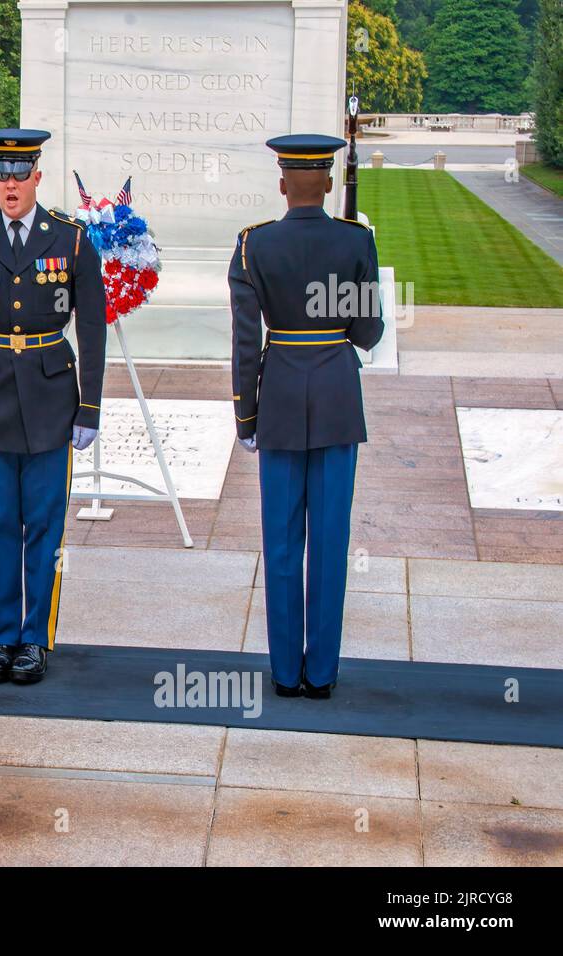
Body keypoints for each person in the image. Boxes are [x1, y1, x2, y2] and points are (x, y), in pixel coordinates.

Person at [0, 128, 107, 684]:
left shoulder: (72, 240)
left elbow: (93, 331)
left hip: (51, 395)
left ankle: (35, 638)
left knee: (44, 523)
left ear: (38, 176)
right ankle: (3, 635)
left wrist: (89, 408)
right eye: (1, 174)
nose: (10, 184)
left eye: (21, 173)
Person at [228, 133, 385, 700]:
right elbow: (367, 333)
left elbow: (247, 343)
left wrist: (246, 416)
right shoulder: (355, 242)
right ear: (325, 182)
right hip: (338, 396)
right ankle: (321, 671)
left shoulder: (254, 246)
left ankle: (284, 672)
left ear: (281, 183)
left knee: (282, 539)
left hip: (282, 398)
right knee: (330, 540)